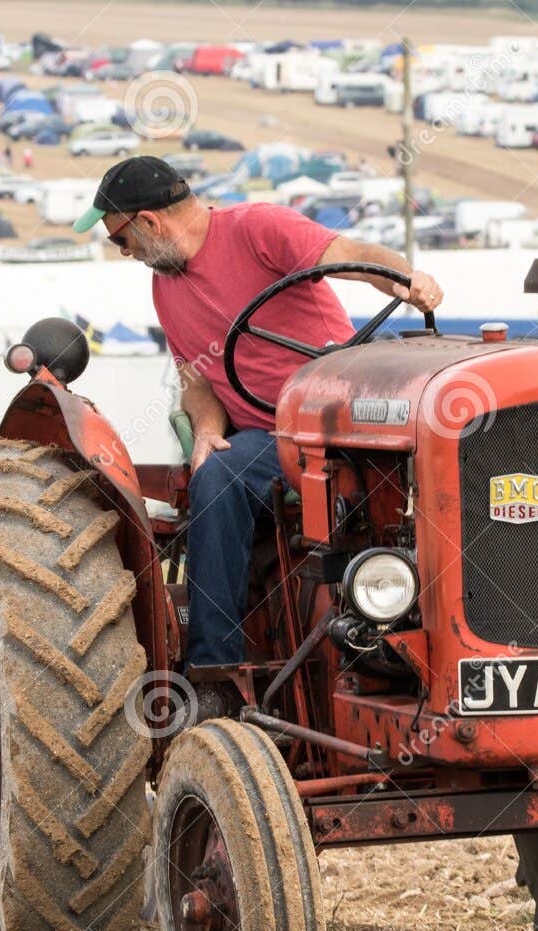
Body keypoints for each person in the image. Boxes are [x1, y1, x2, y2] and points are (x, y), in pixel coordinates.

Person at [72, 155, 442, 688]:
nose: (125, 254)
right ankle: (214, 671)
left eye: (121, 241)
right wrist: (205, 431)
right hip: (269, 440)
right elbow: (195, 380)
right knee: (217, 477)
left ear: (149, 222)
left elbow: (348, 256)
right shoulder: (165, 288)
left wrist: (405, 280)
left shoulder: (257, 228)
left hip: (334, 421)